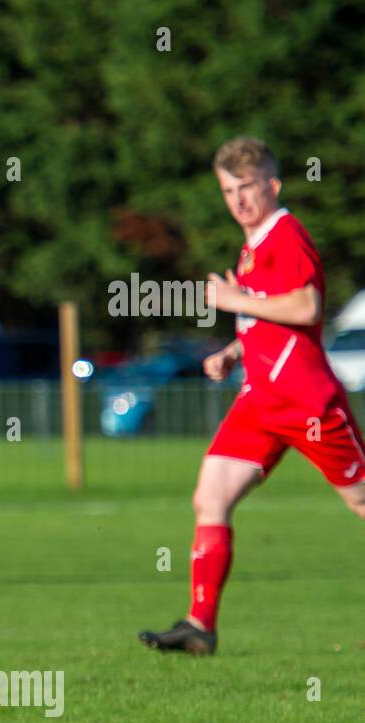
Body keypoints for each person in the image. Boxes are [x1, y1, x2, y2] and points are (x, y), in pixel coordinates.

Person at [139, 137, 365, 656]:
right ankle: (200, 625)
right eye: (228, 190)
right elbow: (268, 316)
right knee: (210, 497)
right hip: (261, 402)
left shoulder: (285, 233)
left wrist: (231, 298)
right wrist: (233, 350)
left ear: (273, 185)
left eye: (247, 187)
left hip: (307, 404)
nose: (238, 200)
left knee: (361, 502)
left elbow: (307, 307)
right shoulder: (254, 245)